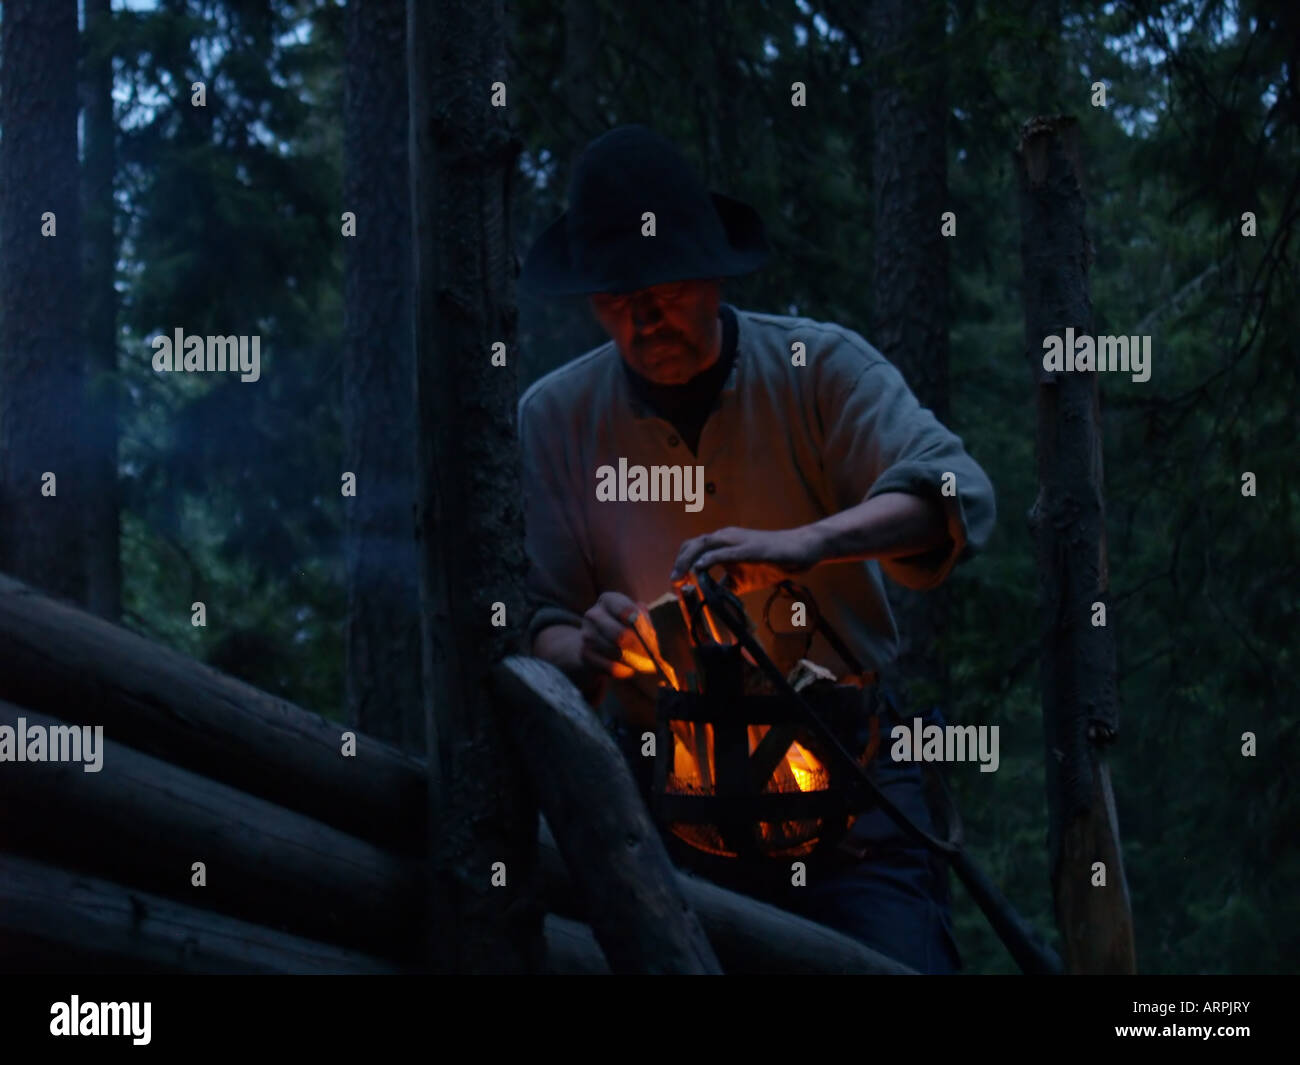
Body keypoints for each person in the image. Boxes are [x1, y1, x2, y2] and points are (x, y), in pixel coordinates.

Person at [516, 124, 996, 973]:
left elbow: (954, 491)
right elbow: (541, 627)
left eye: (661, 286)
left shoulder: (817, 368)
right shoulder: (556, 418)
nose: (643, 316)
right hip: (667, 809)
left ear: (711, 274)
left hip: (852, 793)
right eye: (613, 297)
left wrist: (806, 543)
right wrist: (590, 644)